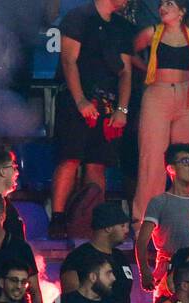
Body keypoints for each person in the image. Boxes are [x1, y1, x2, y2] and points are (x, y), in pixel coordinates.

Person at [49, 0, 135, 239]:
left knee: (97, 163)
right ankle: (57, 218)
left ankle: (95, 220)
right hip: (76, 99)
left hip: (108, 102)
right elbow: (69, 60)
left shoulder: (122, 26)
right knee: (70, 158)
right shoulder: (79, 17)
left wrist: (122, 109)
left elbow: (126, 71)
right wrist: (80, 101)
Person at [131, 1, 189, 223]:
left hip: (186, 95)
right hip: (157, 93)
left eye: (169, 4)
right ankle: (145, 218)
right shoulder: (151, 32)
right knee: (152, 159)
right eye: (162, 3)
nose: (163, 7)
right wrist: (149, 70)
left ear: (181, 11)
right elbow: (129, 52)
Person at [135, 144, 189, 294]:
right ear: (171, 168)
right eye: (185, 161)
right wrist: (144, 272)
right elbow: (142, 241)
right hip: (167, 273)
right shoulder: (159, 202)